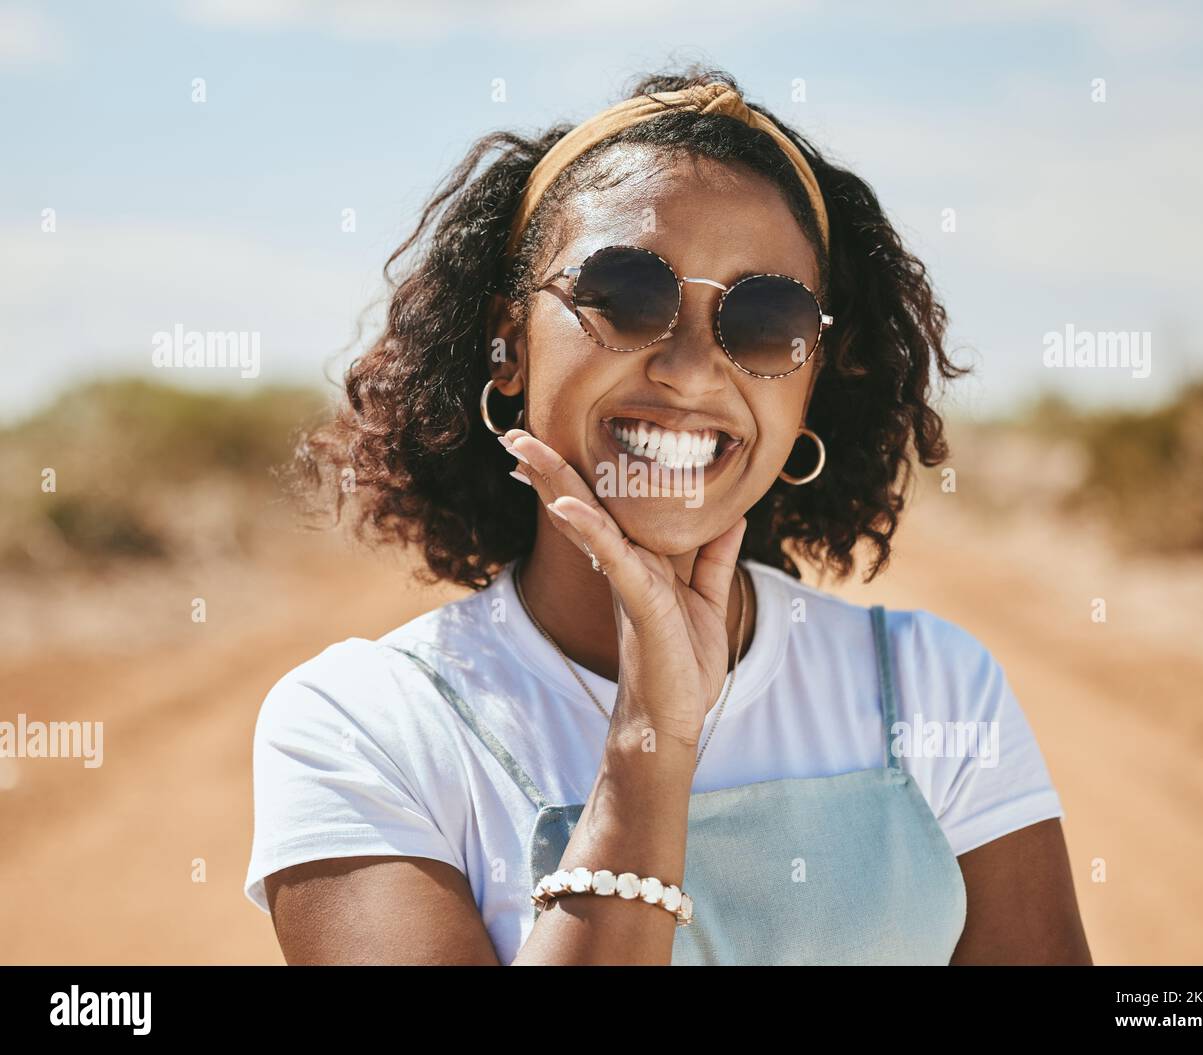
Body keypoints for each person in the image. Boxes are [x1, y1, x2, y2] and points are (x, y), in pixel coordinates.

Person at [243, 66, 1091, 966]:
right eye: (624, 296)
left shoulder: (931, 688)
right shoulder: (368, 724)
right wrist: (650, 746)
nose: (690, 370)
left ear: (809, 385)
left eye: (766, 318)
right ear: (508, 347)